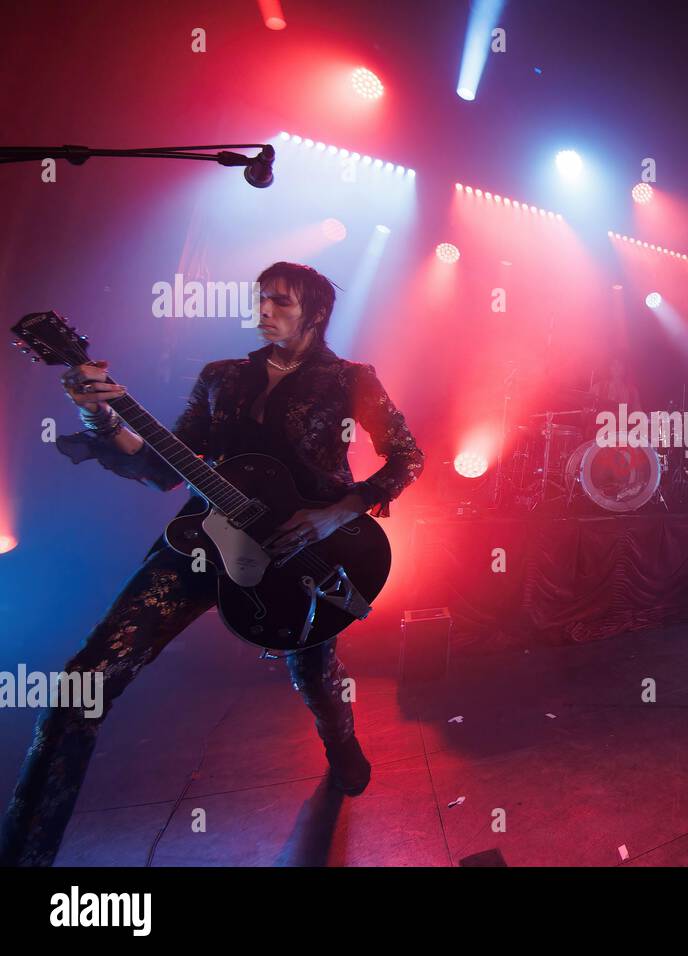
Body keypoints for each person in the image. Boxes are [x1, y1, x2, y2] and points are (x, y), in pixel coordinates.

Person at [0, 262, 424, 866]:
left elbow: (406, 456)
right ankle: (26, 855)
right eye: (260, 299)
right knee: (81, 684)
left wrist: (337, 514)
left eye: (280, 301)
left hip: (301, 552)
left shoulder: (350, 379)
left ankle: (343, 749)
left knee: (315, 677)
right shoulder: (221, 376)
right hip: (200, 542)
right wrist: (100, 415)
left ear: (316, 313)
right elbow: (160, 470)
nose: (264, 310)